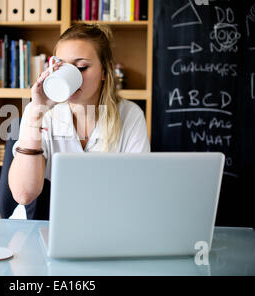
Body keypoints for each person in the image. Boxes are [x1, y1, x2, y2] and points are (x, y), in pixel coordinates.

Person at [8, 23, 150, 219]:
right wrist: (36, 114)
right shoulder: (44, 115)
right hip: (42, 223)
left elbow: (137, 192)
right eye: (62, 67)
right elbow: (24, 194)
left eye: (81, 67)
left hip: (104, 224)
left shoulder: (129, 115)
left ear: (104, 72)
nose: (71, 76)